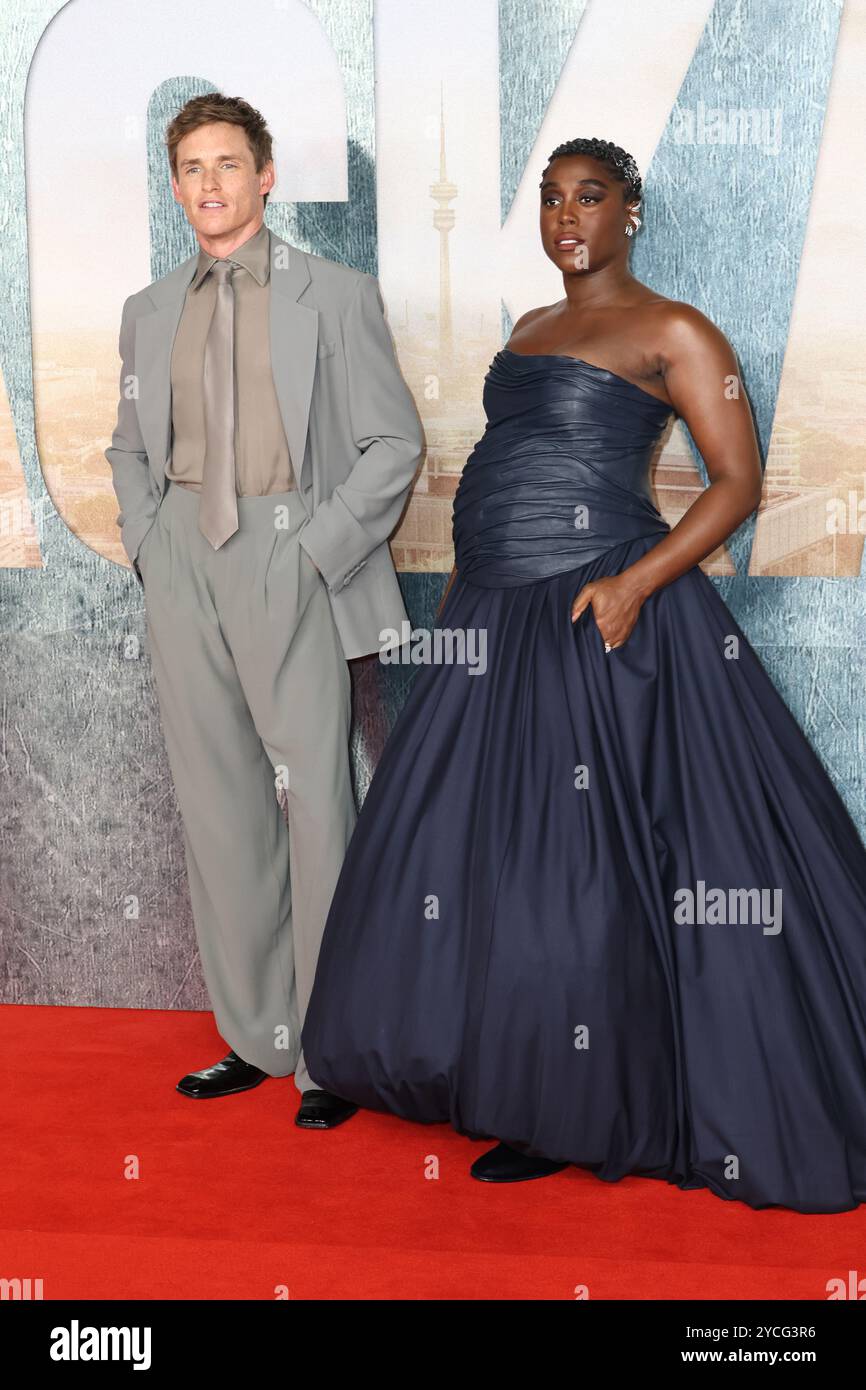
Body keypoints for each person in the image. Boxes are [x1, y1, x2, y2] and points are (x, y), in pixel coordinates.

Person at [301, 137, 866, 1213]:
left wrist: (634, 586)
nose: (567, 217)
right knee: (484, 862)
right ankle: (498, 1071)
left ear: (630, 213)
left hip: (601, 611)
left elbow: (735, 482)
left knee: (577, 870)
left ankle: (570, 1103)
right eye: (553, 199)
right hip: (495, 615)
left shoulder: (674, 329)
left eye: (589, 197)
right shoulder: (528, 330)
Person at [106, 92, 423, 1128]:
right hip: (184, 560)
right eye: (190, 167)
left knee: (320, 804)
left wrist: (317, 547)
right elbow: (127, 444)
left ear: (266, 174)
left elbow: (392, 445)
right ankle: (256, 1037)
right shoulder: (148, 309)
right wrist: (150, 540)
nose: (209, 184)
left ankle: (328, 1049)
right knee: (219, 805)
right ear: (176, 183)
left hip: (291, 551)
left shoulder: (332, 294)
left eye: (227, 164)